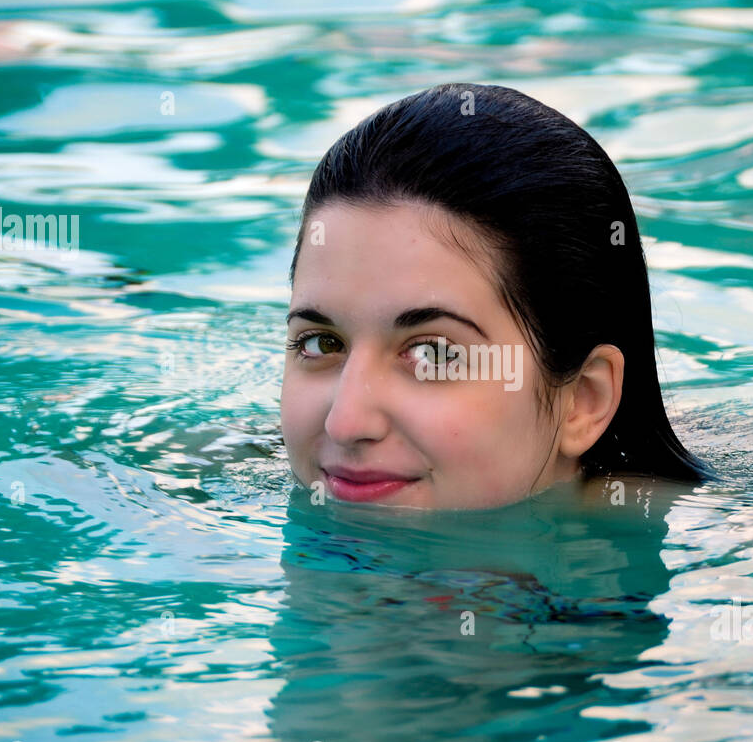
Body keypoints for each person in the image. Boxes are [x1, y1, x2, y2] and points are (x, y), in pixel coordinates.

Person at [280, 82, 713, 509]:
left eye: (433, 353)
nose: (345, 424)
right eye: (321, 343)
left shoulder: (727, 559)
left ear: (583, 400)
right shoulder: (218, 489)